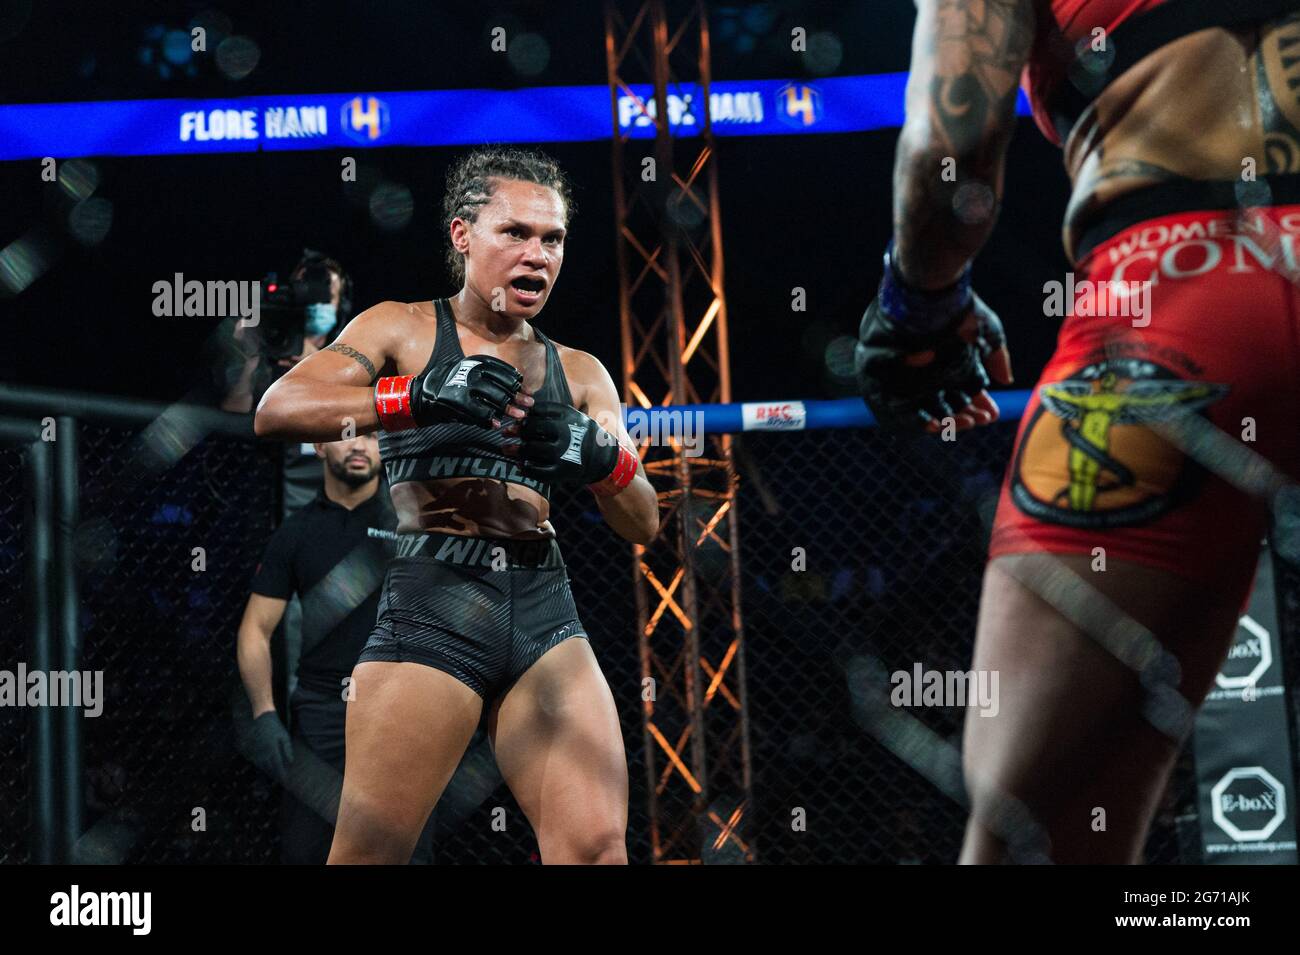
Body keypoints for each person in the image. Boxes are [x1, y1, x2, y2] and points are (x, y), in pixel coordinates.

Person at [855, 0, 1300, 862]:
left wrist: (919, 306)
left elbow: (951, 157)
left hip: (1173, 294)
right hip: (1175, 302)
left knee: (1037, 833)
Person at [254, 147, 659, 864]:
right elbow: (277, 408)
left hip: (544, 605)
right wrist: (412, 396)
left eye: (553, 238)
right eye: (516, 232)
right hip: (435, 598)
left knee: (598, 849)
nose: (537, 254)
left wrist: (603, 462)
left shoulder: (581, 371)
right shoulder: (402, 327)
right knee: (369, 854)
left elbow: (644, 521)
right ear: (463, 235)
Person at [235, 433, 435, 864]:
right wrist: (264, 712)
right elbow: (255, 628)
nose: (359, 444)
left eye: (369, 435)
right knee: (308, 850)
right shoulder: (296, 532)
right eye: (344, 435)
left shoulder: (411, 525)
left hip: (398, 714)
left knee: (405, 853)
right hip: (322, 715)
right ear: (320, 447)